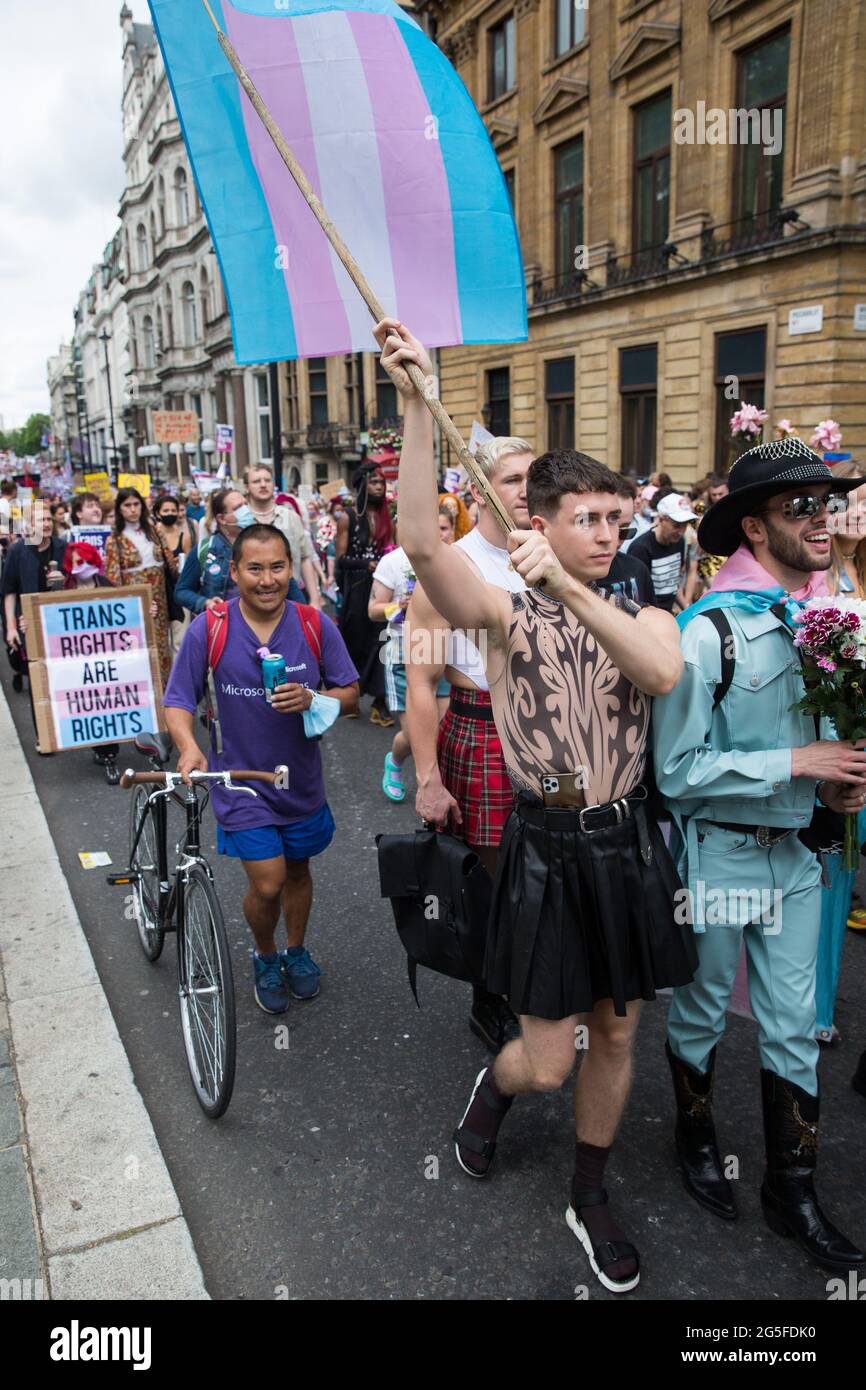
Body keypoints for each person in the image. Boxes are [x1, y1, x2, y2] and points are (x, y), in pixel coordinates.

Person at [380, 317, 697, 1294]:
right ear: (544, 525)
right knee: (548, 1058)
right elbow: (420, 544)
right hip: (543, 846)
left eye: (616, 518)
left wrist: (571, 581)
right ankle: (497, 1085)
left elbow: (654, 672)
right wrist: (412, 403)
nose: (607, 533)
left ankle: (588, 1192)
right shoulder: (501, 611)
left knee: (617, 1031)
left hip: (627, 845)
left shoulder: (642, 610)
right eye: (586, 519)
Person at [653, 437, 866, 1274]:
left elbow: (832, 742)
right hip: (722, 859)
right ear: (753, 527)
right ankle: (696, 1138)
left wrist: (841, 782)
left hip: (803, 860)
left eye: (827, 502)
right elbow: (675, 774)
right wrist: (795, 765)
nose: (824, 518)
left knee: (795, 1031)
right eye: (799, 506)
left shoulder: (833, 621)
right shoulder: (708, 634)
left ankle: (794, 1191)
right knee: (703, 1010)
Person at [164, 524, 360, 1013]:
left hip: (300, 780)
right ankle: (265, 953)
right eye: (254, 568)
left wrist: (314, 698)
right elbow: (178, 699)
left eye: (277, 567)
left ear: (290, 569)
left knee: (297, 870)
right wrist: (189, 747)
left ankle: (295, 951)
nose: (267, 579)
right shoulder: (210, 628)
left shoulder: (315, 624)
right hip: (241, 784)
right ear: (234, 572)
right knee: (268, 881)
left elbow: (351, 694)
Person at [405, 436, 534, 1054]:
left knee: (546, 870)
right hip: (480, 727)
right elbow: (423, 686)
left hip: (549, 733)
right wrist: (427, 778)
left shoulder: (553, 554)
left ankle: (537, 983)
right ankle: (491, 997)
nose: (526, 491)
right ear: (480, 491)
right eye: (512, 480)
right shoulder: (443, 569)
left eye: (534, 478)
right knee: (490, 877)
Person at [813, 459, 866, 1042]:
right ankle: (816, 1009)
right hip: (834, 744)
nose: (856, 510)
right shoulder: (819, 578)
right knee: (831, 871)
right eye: (850, 501)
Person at [369, 505, 454, 802]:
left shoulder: (458, 561)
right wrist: (400, 608)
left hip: (446, 651)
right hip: (404, 653)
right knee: (420, 732)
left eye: (443, 528)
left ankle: (440, 785)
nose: (436, 533)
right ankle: (395, 760)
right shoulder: (392, 562)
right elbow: (374, 610)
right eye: (431, 526)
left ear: (452, 530)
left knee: (443, 730)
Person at [335, 462, 395, 725]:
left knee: (382, 641)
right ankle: (352, 696)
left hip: (383, 587)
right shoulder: (348, 516)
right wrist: (364, 565)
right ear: (362, 485)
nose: (379, 487)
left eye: (382, 483)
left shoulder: (387, 517)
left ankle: (380, 700)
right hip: (358, 588)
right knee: (356, 644)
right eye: (374, 482)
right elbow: (340, 560)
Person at [2, 500, 66, 735]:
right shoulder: (18, 550)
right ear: (30, 525)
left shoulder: (61, 546)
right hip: (27, 623)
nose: (47, 524)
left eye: (49, 519)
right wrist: (10, 627)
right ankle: (44, 734)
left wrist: (64, 581)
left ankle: (63, 729)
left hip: (58, 624)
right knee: (37, 680)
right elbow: (9, 591)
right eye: (41, 520)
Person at [104, 488, 177, 689]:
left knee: (162, 646)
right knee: (137, 647)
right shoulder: (115, 539)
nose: (133, 509)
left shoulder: (154, 531)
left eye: (136, 504)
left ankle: (166, 696)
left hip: (160, 598)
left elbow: (170, 564)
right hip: (132, 601)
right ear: (119, 509)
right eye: (127, 505)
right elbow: (113, 577)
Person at [244, 464, 320, 606]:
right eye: (256, 481)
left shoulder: (291, 517)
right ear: (247, 487)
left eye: (267, 480)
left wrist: (315, 599)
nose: (263, 485)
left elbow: (304, 558)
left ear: (273, 484)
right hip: (253, 600)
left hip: (290, 596)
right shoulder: (240, 519)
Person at [175, 486, 249, 616]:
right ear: (221, 518)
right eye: (238, 508)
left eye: (246, 505)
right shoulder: (204, 549)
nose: (246, 510)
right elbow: (181, 592)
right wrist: (205, 603)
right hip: (222, 626)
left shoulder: (264, 543)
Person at [628, 491, 698, 611]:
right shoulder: (641, 549)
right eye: (676, 526)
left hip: (668, 613)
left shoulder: (680, 542)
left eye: (685, 525)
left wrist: (687, 609)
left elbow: (672, 584)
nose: (681, 532)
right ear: (661, 520)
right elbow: (636, 595)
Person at [597, 477, 654, 605]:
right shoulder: (562, 582)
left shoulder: (638, 570)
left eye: (624, 530)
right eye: (609, 524)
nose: (613, 540)